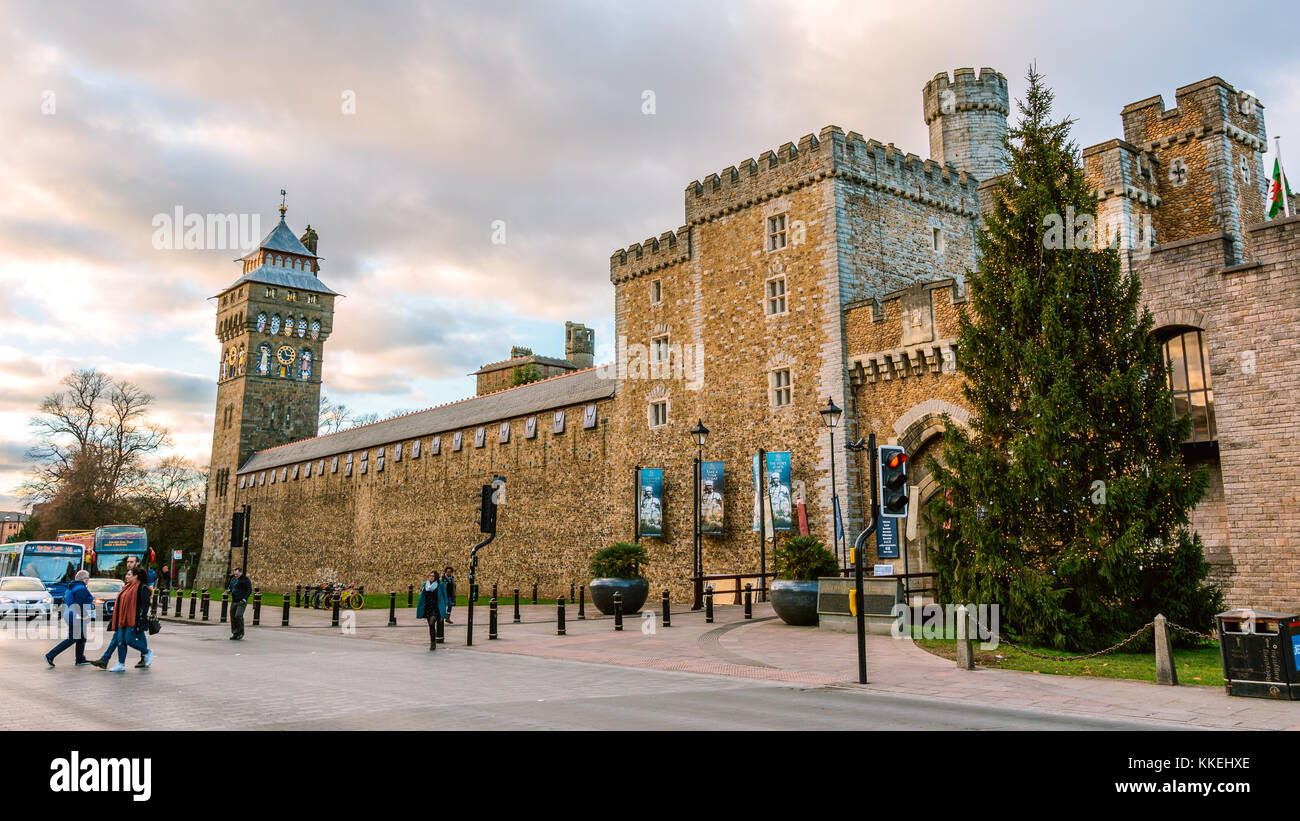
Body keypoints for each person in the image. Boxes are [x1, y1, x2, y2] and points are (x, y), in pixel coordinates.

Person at [90, 567, 152, 671]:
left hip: (132, 619)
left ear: (135, 576)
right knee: (120, 641)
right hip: (121, 619)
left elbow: (144, 606)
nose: (126, 576)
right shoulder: (126, 587)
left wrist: (141, 620)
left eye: (129, 575)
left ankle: (147, 652)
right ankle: (120, 664)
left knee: (129, 640)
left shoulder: (142, 588)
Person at [45, 570, 94, 667]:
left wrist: (60, 613)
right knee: (73, 638)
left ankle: (80, 659)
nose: (88, 580)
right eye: (87, 578)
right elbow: (79, 604)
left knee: (82, 637)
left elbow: (64, 601)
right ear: (84, 579)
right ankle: (50, 655)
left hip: (71, 614)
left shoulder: (71, 588)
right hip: (77, 616)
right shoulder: (81, 589)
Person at [416, 571, 448, 651]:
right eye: (430, 575)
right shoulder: (425, 584)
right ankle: (433, 641)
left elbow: (444, 596)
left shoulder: (440, 585)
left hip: (436, 608)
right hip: (428, 608)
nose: (431, 577)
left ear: (436, 577)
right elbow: (423, 595)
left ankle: (433, 643)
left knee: (432, 622)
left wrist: (445, 606)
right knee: (431, 626)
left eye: (432, 576)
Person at [227, 567, 252, 640]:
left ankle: (241, 632)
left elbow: (249, 590)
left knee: (238, 615)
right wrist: (229, 590)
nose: (236, 575)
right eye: (235, 574)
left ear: (241, 572)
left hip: (242, 601)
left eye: (237, 574)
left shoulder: (246, 579)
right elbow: (230, 587)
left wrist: (245, 599)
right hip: (234, 600)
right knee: (232, 616)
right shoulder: (233, 579)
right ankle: (235, 633)